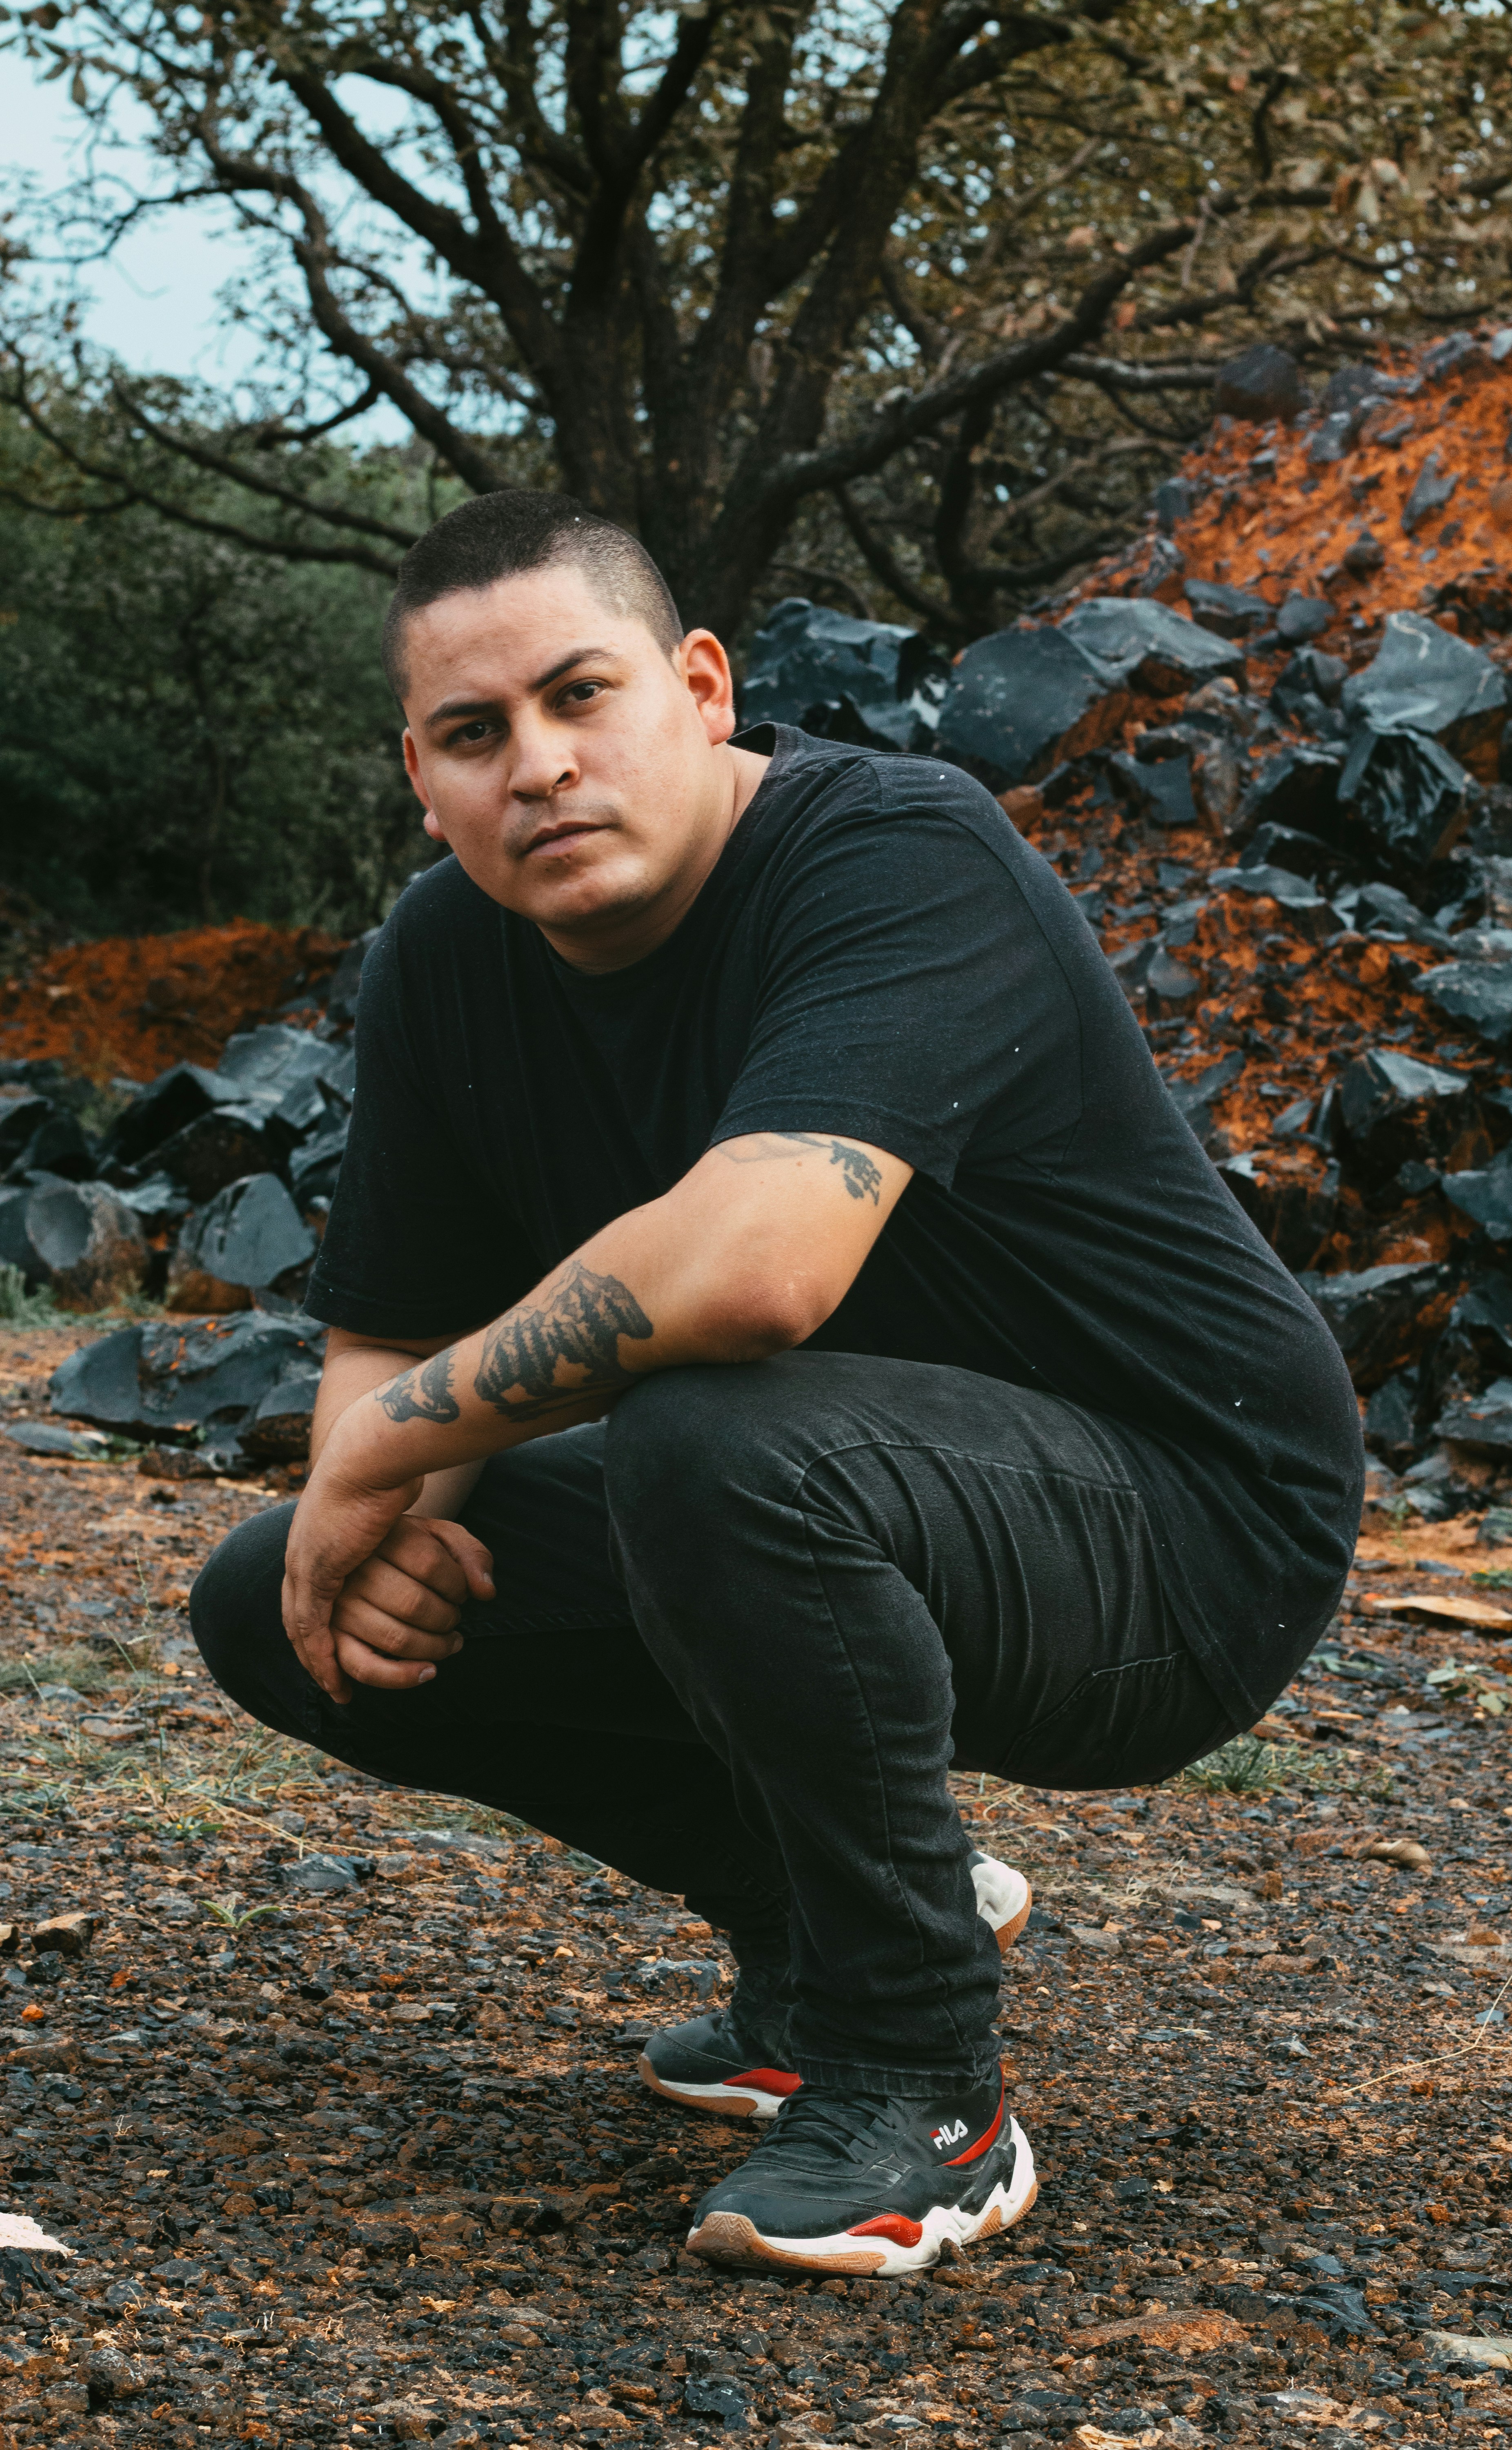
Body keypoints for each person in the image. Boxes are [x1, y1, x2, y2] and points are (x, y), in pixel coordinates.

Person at [190, 488, 1365, 2278]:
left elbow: (757, 1266)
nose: (539, 766)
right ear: (419, 779)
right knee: (286, 1601)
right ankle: (815, 1952)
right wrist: (382, 1502)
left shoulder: (898, 850)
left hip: (1191, 1538)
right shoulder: (441, 958)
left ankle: (920, 2084)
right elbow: (398, 1347)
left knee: (712, 1438)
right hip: (855, 1492)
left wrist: (387, 1449)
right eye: (474, 734)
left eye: (583, 697)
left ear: (704, 688)